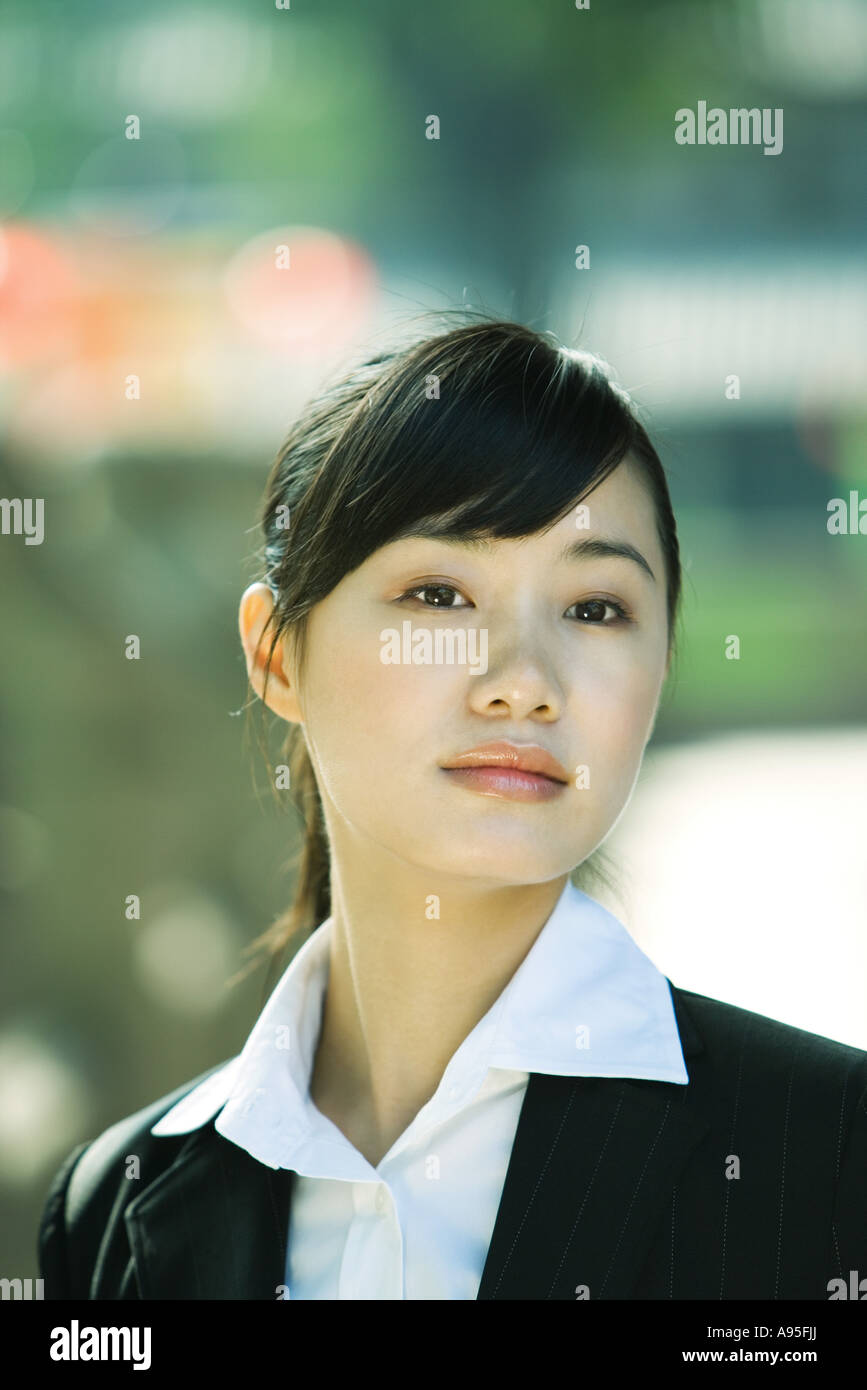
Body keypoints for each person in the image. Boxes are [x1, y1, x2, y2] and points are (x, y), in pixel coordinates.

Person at [37, 313, 866, 1300]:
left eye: (597, 608)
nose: (523, 683)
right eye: (438, 594)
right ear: (275, 653)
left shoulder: (829, 1157)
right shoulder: (115, 1210)